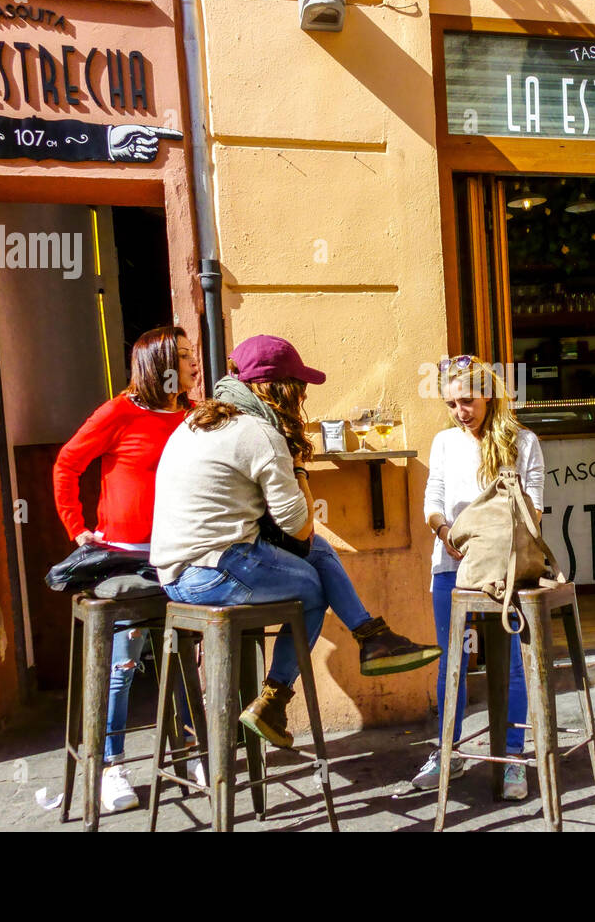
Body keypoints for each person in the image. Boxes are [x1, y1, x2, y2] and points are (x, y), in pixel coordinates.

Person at [150, 334, 441, 750]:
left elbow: (299, 536)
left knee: (318, 553)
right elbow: (298, 526)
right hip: (212, 571)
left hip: (177, 571)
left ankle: (370, 638)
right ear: (282, 389)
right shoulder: (258, 433)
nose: (303, 396)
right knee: (312, 586)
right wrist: (299, 465)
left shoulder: (200, 421)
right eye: (300, 386)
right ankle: (277, 696)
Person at [52, 325, 201, 813]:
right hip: (126, 560)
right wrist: (78, 529)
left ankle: (194, 752)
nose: (193, 363)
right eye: (182, 355)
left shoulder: (195, 416)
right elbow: (67, 464)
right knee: (125, 661)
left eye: (192, 353)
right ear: (158, 364)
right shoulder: (118, 412)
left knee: (185, 657)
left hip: (180, 556)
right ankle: (112, 765)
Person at [413, 355, 542, 800]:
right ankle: (449, 750)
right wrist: (444, 530)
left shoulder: (522, 442)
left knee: (509, 663)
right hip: (451, 564)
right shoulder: (445, 442)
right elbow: (433, 498)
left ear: (488, 393)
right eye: (451, 404)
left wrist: (488, 536)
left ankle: (512, 757)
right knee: (453, 661)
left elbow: (535, 508)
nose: (459, 411)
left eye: (466, 400)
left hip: (503, 569)